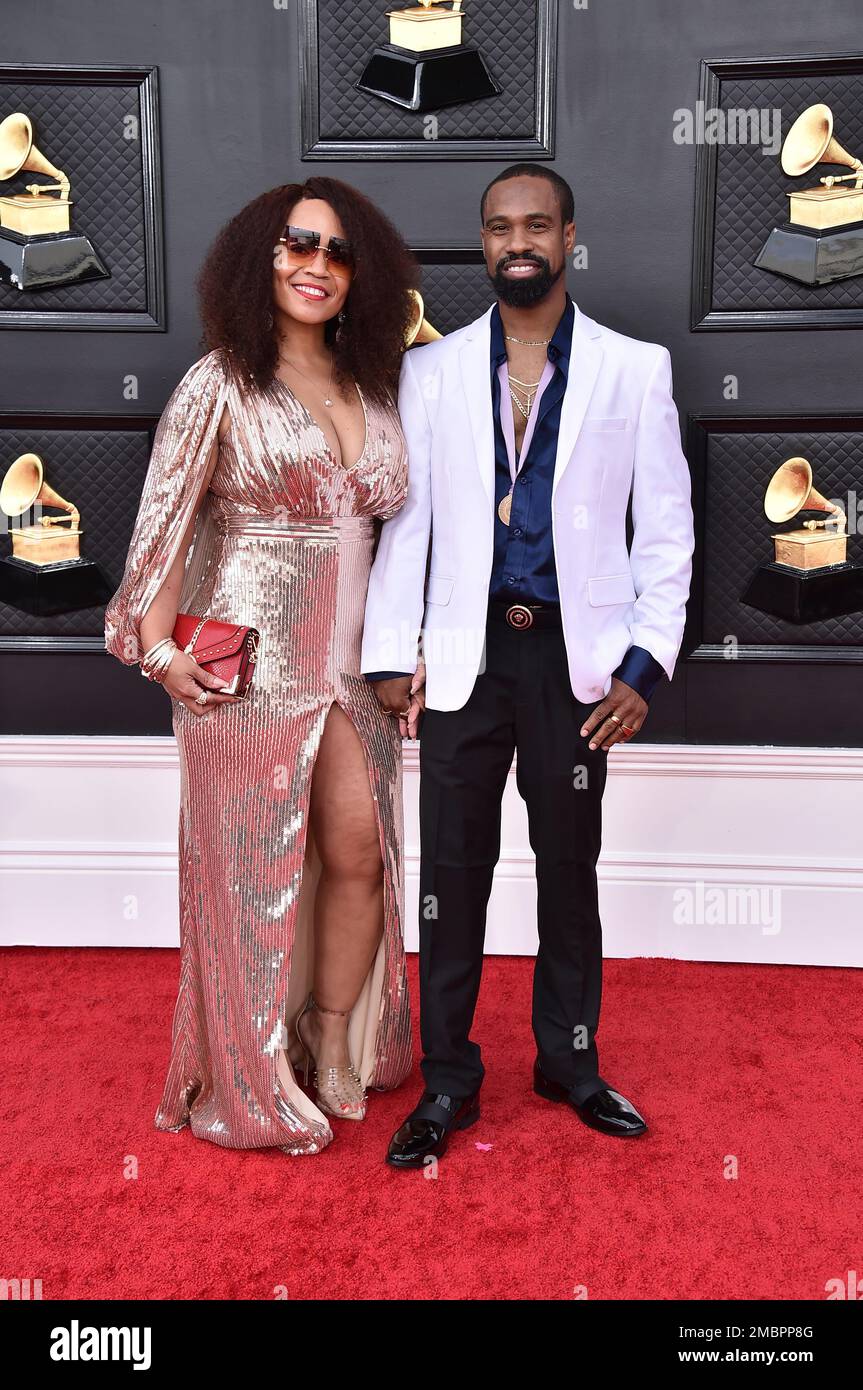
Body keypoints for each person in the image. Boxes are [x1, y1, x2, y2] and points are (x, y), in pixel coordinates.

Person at [362, 162, 695, 1168]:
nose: (519, 242)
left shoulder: (633, 371)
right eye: (501, 227)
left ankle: (570, 1062)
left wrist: (642, 664)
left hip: (574, 662)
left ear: (568, 238)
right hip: (463, 660)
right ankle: (450, 1079)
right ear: (483, 240)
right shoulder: (427, 373)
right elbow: (406, 529)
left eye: (537, 226)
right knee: (450, 879)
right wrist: (389, 654)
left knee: (569, 870)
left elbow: (666, 531)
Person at [105, 177, 418, 1156]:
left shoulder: (376, 385)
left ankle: (330, 1044)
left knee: (358, 854)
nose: (314, 265)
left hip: (352, 669)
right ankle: (249, 1076)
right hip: (240, 667)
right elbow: (164, 526)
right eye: (296, 245)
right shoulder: (220, 382)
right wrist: (158, 651)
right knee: (250, 875)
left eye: (335, 252)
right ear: (261, 258)